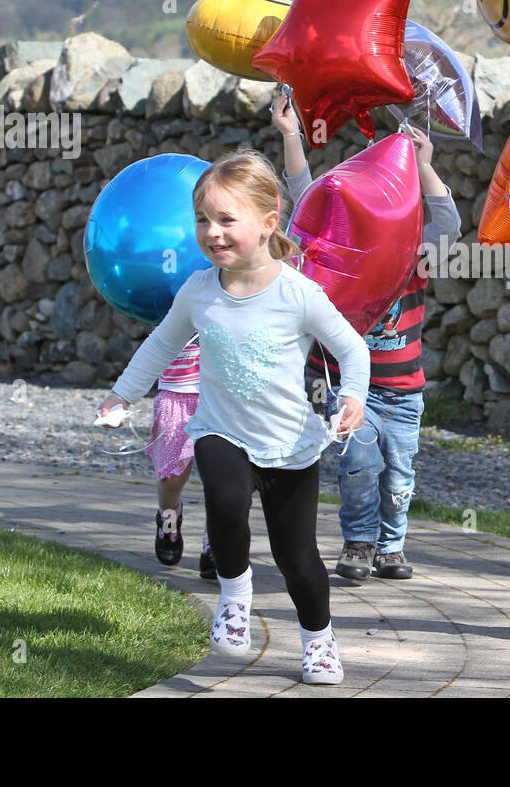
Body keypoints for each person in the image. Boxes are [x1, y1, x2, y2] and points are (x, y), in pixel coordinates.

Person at [97, 150, 369, 685]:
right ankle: (235, 592)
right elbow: (160, 345)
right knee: (224, 500)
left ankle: (319, 642)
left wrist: (353, 397)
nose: (212, 232)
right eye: (203, 219)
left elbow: (353, 351)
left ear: (269, 223)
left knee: (300, 561)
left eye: (226, 220)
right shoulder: (198, 291)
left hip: (291, 444)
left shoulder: (299, 294)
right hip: (220, 429)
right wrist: (121, 395)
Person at [272, 94, 462, 582]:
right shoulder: (333, 259)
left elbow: (450, 223)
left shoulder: (415, 257)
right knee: (358, 462)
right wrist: (292, 132)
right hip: (343, 385)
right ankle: (358, 541)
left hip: (402, 392)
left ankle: (391, 545)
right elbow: (304, 195)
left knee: (399, 475)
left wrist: (424, 167)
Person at [147, 333, 216, 580]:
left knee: (222, 478)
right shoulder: (178, 296)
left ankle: (215, 544)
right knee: (171, 477)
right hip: (177, 392)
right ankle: (168, 519)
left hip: (222, 395)